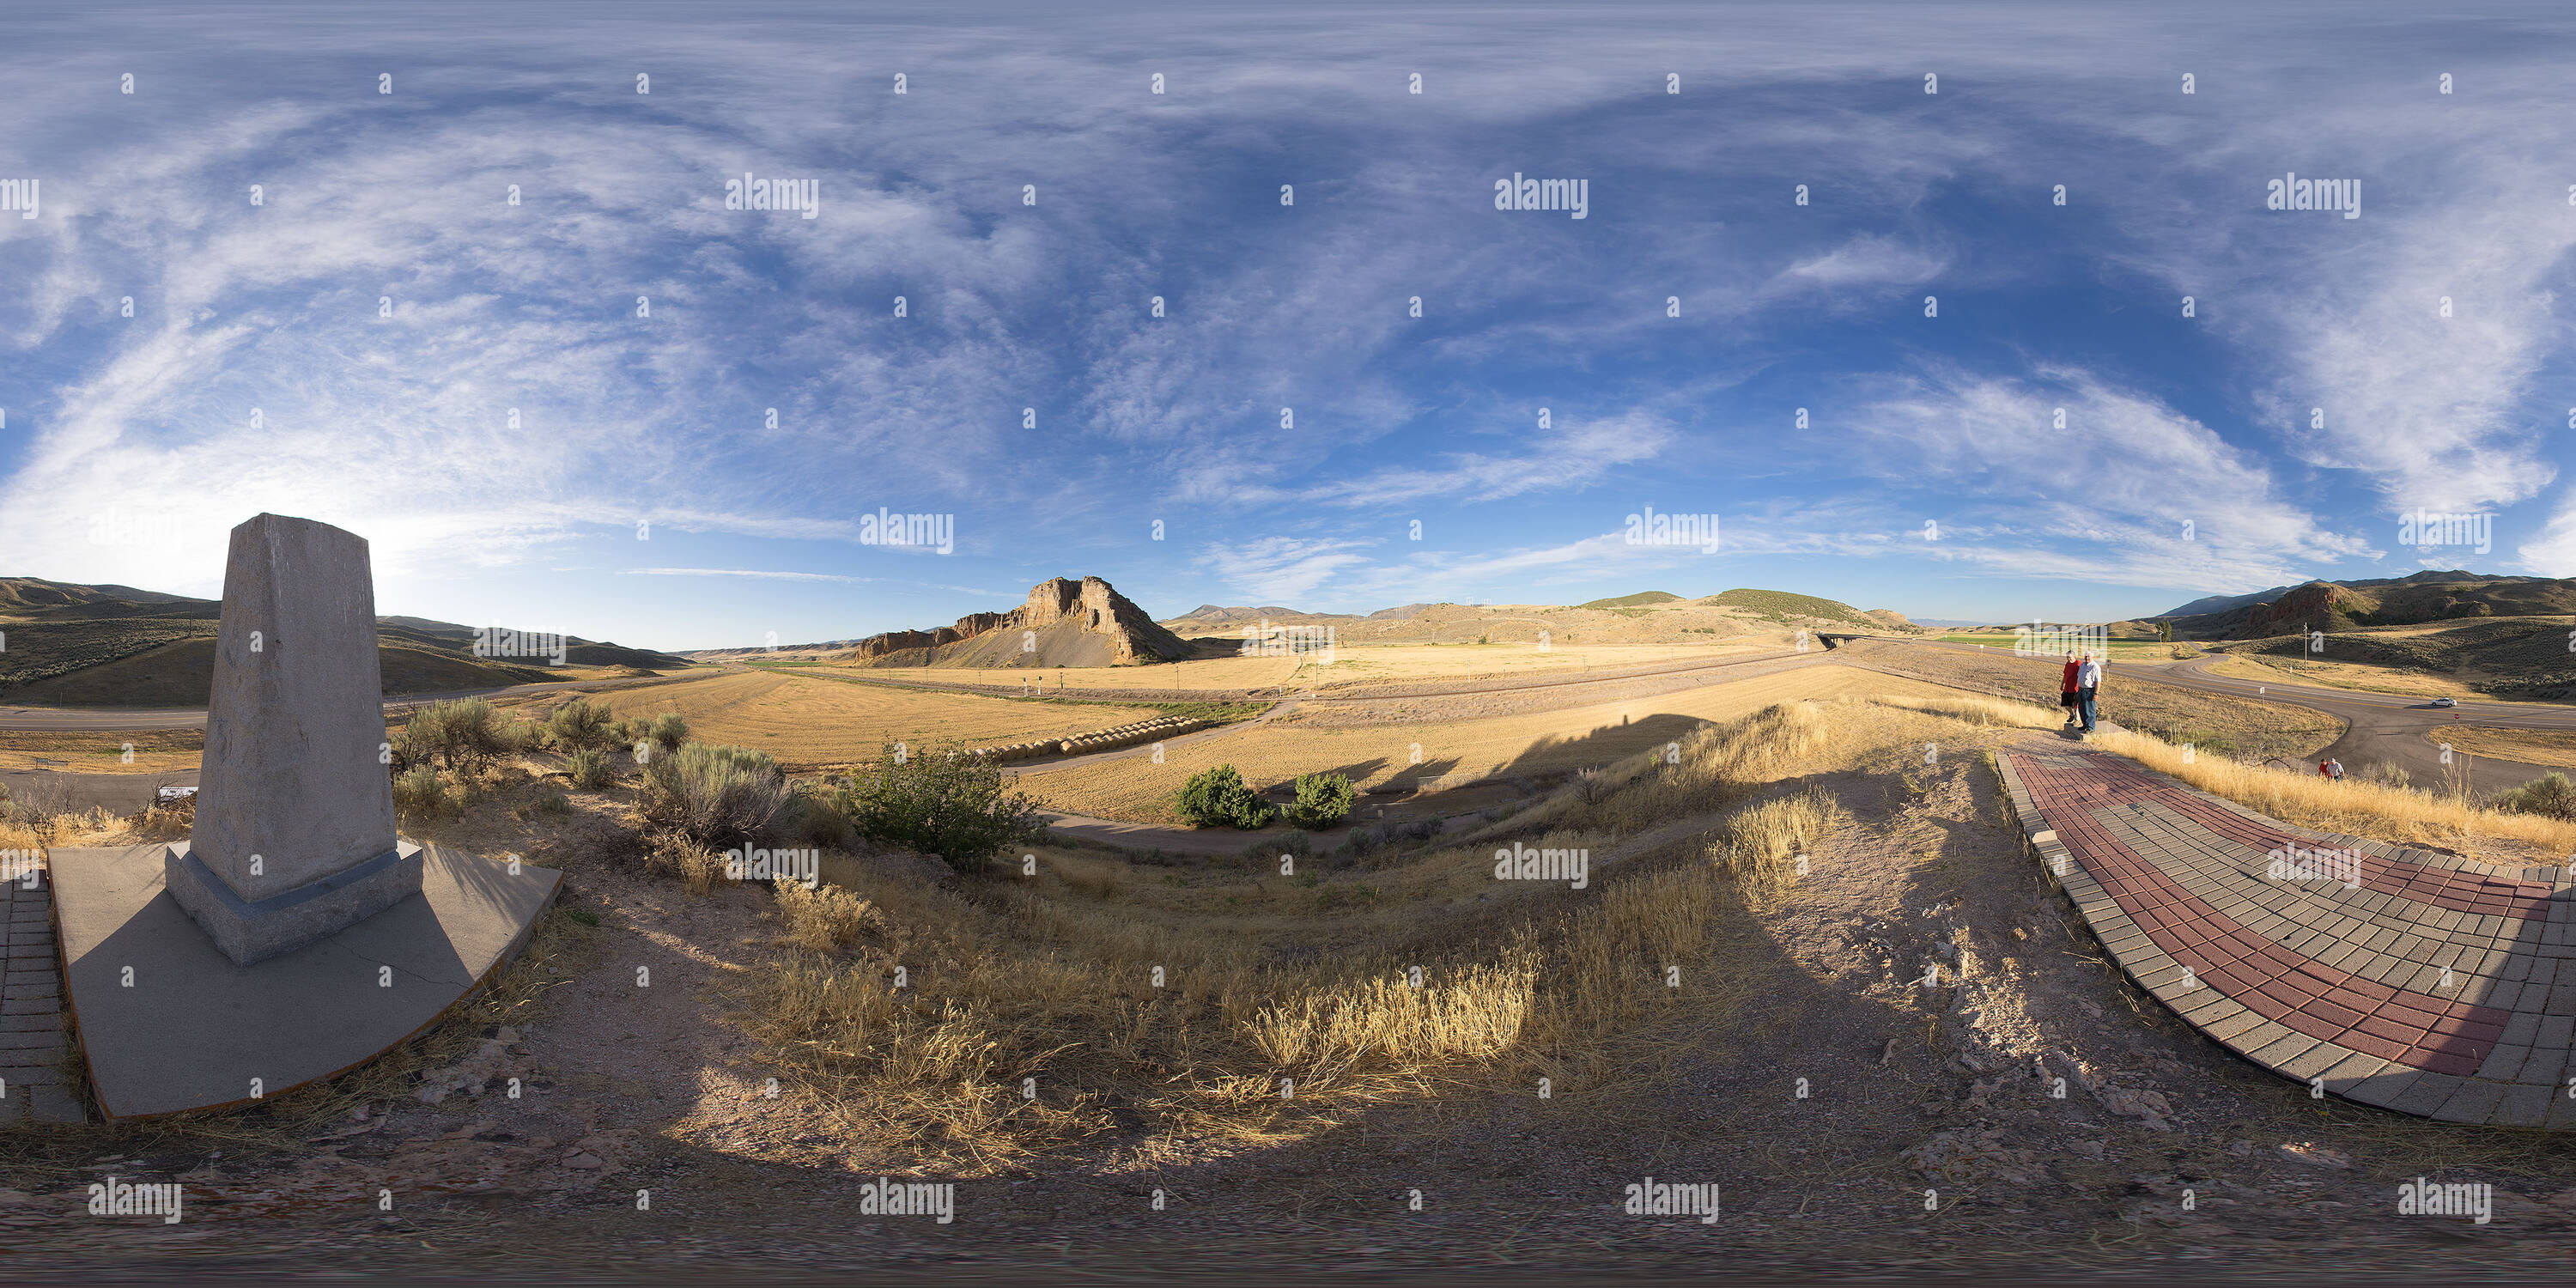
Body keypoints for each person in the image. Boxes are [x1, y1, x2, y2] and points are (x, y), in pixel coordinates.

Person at [2076, 652, 2102, 734]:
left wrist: (2096, 693)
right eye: (2086, 656)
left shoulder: (2095, 667)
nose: (2087, 658)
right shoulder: (2082, 665)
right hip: (2081, 690)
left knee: (2089, 710)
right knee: (2082, 708)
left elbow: (2098, 682)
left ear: (2092, 657)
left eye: (2089, 657)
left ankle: (2090, 727)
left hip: (2089, 691)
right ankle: (2085, 725)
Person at [2060, 653, 2082, 727]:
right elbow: (2065, 674)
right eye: (2067, 657)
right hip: (2067, 687)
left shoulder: (2078, 664)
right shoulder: (2067, 664)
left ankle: (2077, 719)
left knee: (2075, 705)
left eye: (2070, 657)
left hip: (2075, 688)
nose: (2069, 659)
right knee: (2065, 703)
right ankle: (2072, 715)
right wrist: (2062, 684)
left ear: (2074, 656)